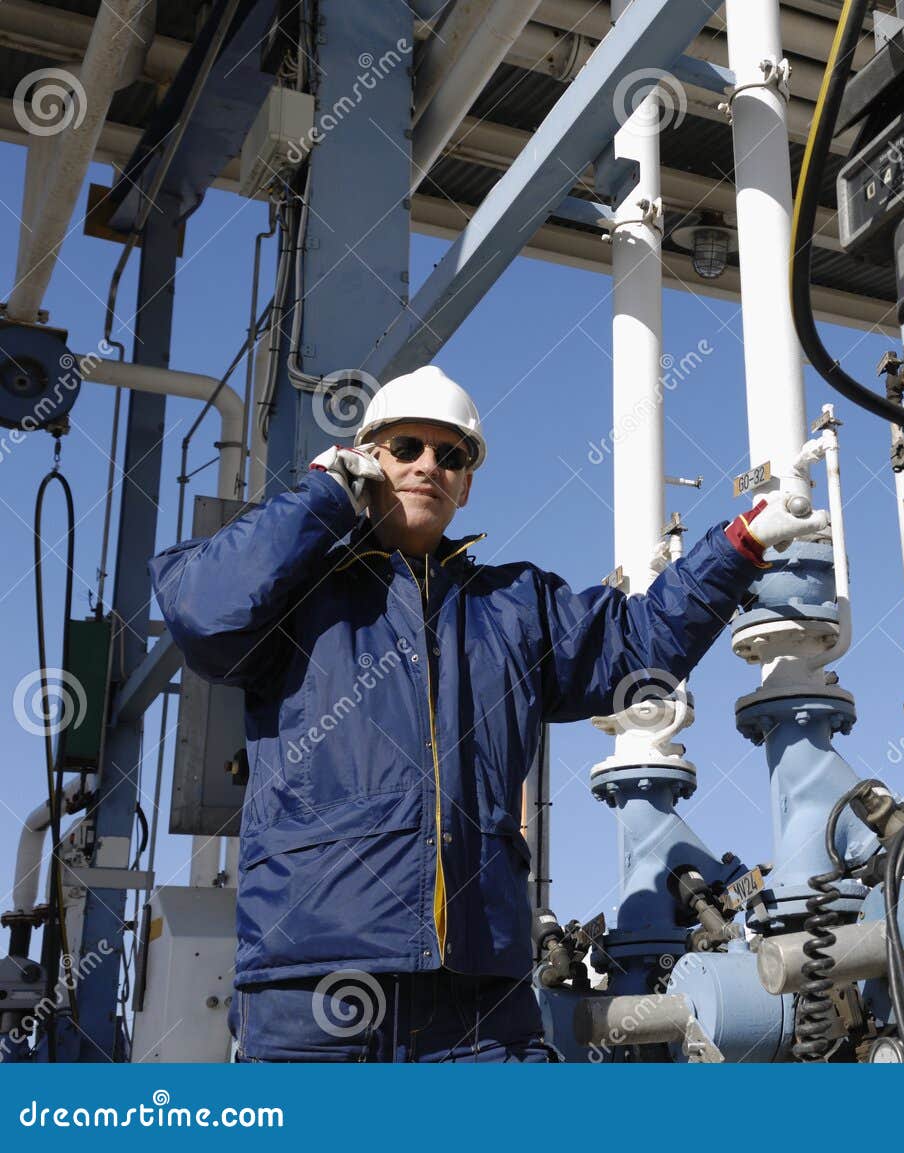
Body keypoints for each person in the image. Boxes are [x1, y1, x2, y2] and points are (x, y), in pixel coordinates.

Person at [149, 365, 823, 1061]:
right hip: (316, 995)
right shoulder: (298, 596)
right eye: (405, 446)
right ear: (366, 458)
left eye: (452, 455)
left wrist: (740, 545)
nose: (428, 466)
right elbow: (203, 611)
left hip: (476, 1002)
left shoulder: (512, 607)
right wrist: (322, 497)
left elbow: (639, 645)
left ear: (467, 484)